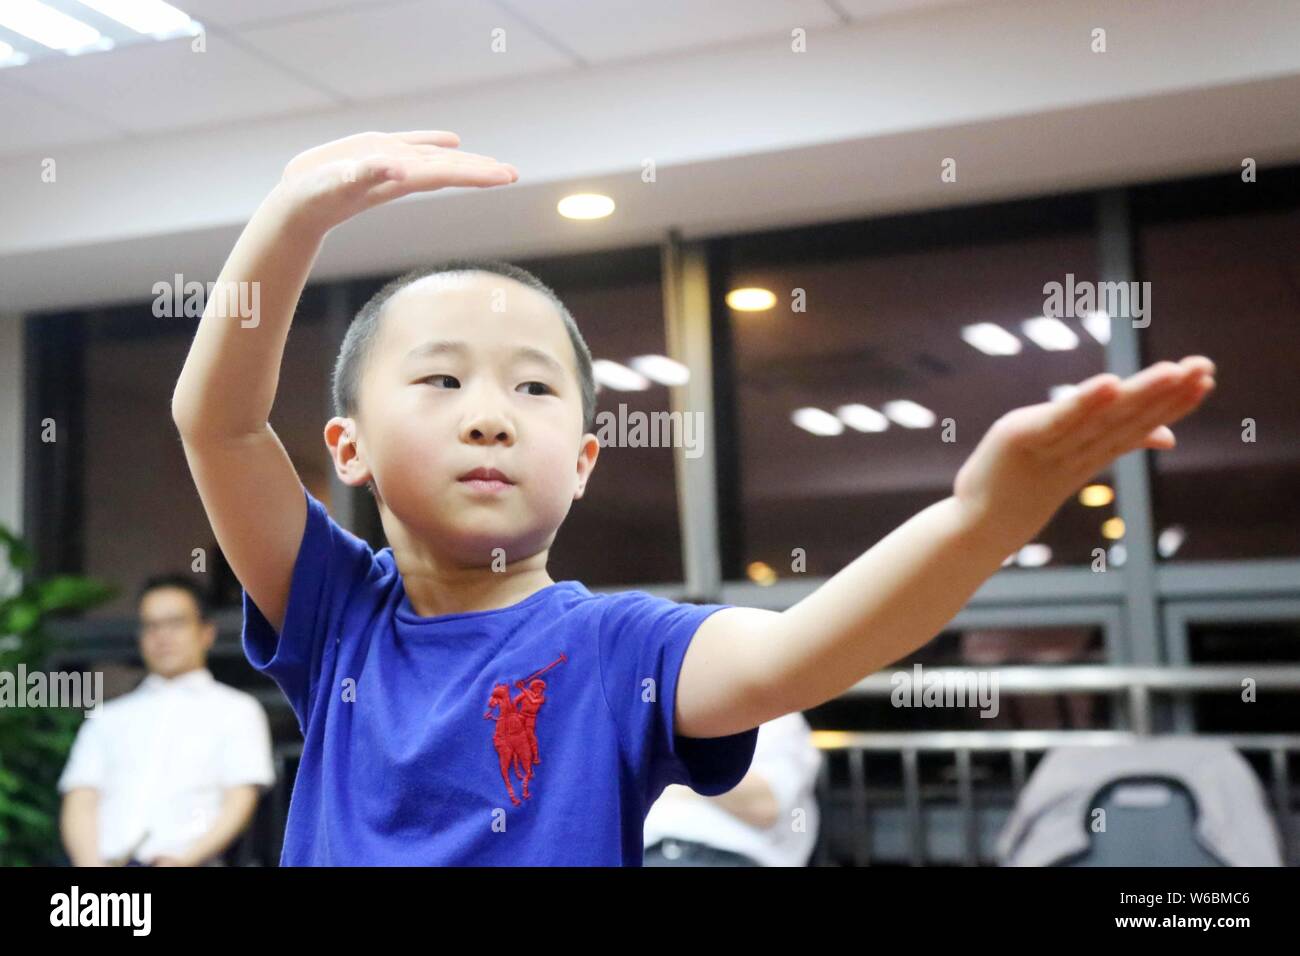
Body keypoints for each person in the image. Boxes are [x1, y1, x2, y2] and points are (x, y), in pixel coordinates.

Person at [169, 129, 1216, 865]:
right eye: (442, 379)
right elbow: (217, 422)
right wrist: (292, 216)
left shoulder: (621, 647)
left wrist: (981, 519)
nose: (489, 415)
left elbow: (798, 650)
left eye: (533, 388)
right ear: (346, 447)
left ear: (582, 461)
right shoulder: (339, 616)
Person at [58, 575, 275, 866]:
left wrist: (185, 861)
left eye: (176, 623)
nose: (163, 636)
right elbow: (81, 800)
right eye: (152, 625)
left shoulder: (237, 711)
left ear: (206, 632)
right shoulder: (106, 718)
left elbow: (240, 801)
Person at [644, 712, 823, 866]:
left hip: (730, 856)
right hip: (643, 855)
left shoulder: (777, 717)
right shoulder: (652, 712)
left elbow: (765, 805)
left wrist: (683, 774)